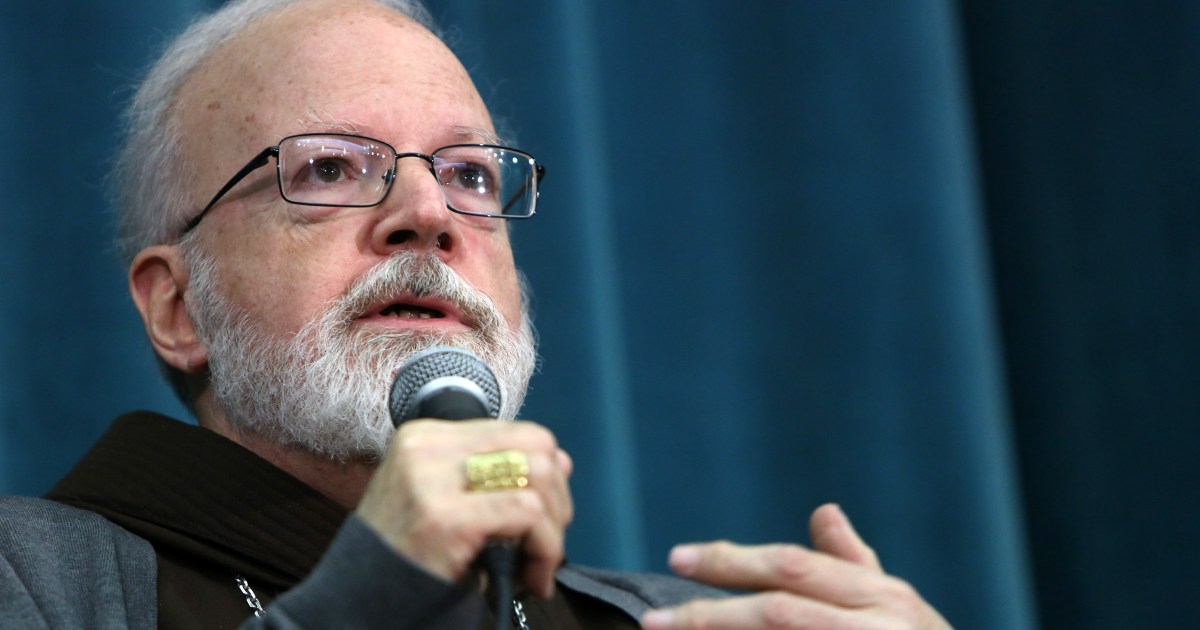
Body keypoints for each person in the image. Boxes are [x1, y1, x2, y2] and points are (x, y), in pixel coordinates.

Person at [0, 0, 953, 627]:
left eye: (468, 175)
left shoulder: (680, 620)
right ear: (177, 306)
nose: (426, 216)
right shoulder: (37, 582)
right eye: (329, 168)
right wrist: (370, 595)